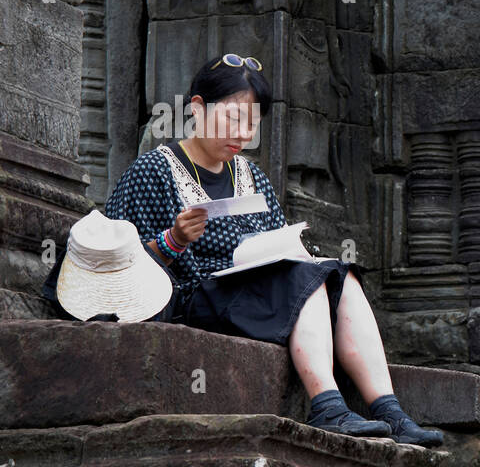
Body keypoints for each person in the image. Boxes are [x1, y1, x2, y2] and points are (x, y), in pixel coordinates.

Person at [101, 52, 443, 446]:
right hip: (196, 298)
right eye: (233, 118)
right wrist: (172, 240)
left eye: (252, 123)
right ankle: (328, 407)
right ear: (197, 108)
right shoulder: (154, 170)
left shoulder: (252, 176)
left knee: (341, 273)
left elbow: (277, 244)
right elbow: (121, 267)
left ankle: (391, 412)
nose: (244, 133)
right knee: (303, 278)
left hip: (260, 290)